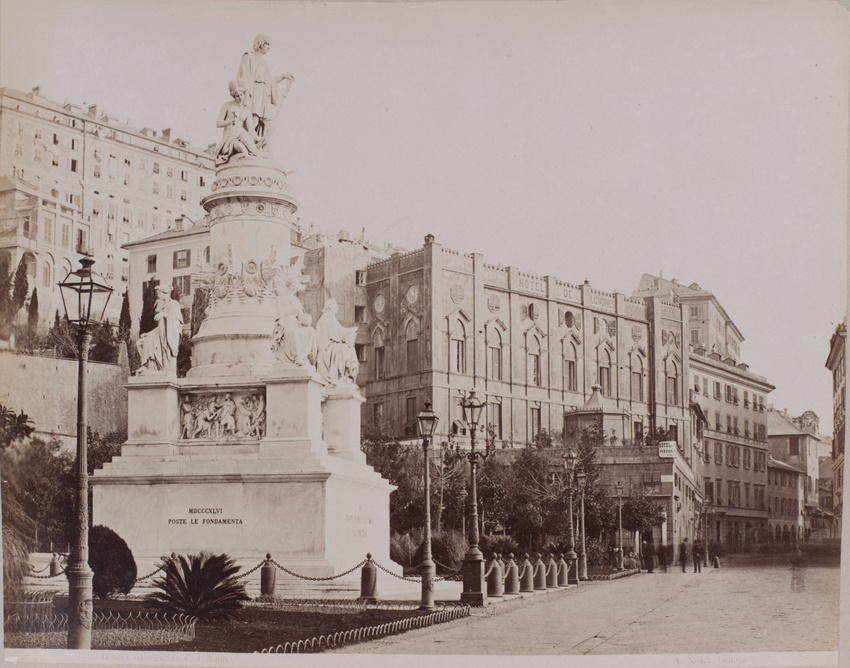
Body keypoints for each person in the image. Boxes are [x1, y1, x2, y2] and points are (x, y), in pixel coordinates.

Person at [236, 34, 294, 145]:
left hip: (263, 95)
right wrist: (246, 97)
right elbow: (243, 77)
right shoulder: (249, 56)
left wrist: (282, 76)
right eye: (267, 44)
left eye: (270, 45)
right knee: (253, 121)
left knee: (269, 126)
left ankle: (260, 148)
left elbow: (269, 82)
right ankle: (247, 146)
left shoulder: (264, 62)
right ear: (260, 43)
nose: (269, 47)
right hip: (254, 93)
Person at [214, 80, 265, 165]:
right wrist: (229, 121)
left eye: (241, 95)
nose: (240, 98)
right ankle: (256, 156)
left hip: (241, 135)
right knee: (242, 149)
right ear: (234, 96)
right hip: (229, 138)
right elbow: (218, 123)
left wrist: (258, 139)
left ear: (244, 94)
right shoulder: (227, 105)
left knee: (246, 140)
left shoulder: (246, 111)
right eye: (237, 96)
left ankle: (260, 156)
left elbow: (251, 130)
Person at [136, 285, 183, 375]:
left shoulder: (174, 304)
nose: (158, 295)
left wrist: (165, 315)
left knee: (149, 340)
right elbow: (159, 328)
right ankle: (147, 365)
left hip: (168, 334)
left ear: (165, 293)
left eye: (159, 293)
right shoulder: (163, 308)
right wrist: (148, 333)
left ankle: (153, 366)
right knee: (139, 343)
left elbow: (178, 320)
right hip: (159, 333)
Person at [314, 298, 359, 386]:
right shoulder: (327, 318)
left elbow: (338, 331)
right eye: (336, 307)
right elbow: (338, 333)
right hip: (327, 349)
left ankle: (345, 378)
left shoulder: (327, 318)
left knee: (349, 350)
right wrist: (351, 330)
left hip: (329, 348)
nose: (337, 309)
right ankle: (344, 377)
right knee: (348, 350)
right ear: (331, 308)